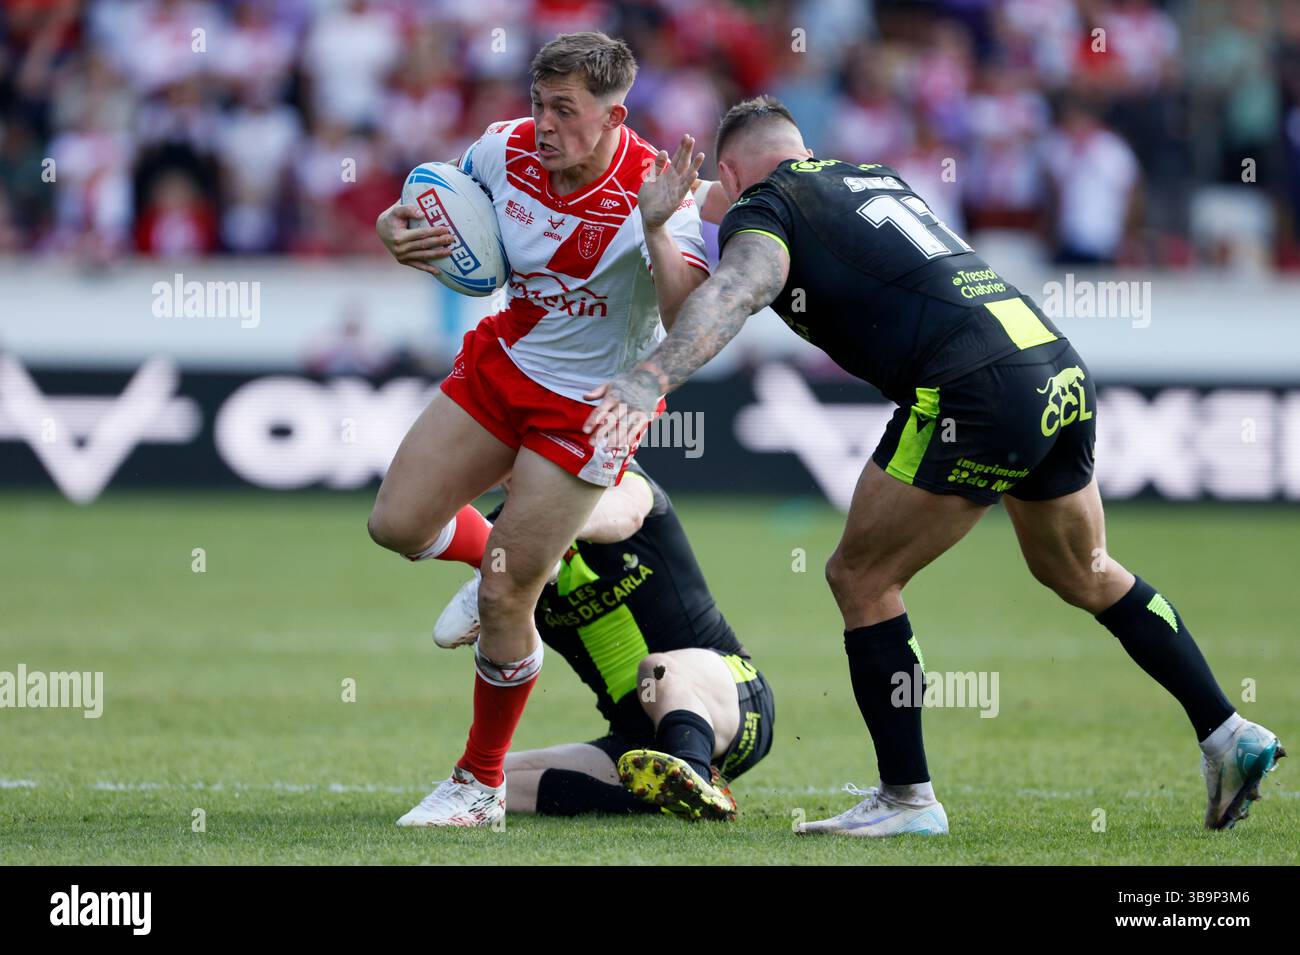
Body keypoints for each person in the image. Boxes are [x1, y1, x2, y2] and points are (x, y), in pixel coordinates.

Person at [583, 95, 1284, 837]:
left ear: (729, 172)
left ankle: (907, 798)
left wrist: (651, 375)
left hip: (971, 387)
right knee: (1084, 570)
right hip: (1052, 365)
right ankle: (1228, 730)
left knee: (860, 576)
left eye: (715, 190)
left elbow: (735, 287)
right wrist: (660, 225)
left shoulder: (766, 204)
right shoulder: (866, 177)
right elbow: (702, 294)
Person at [368, 32, 710, 828]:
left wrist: (658, 228)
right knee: (395, 523)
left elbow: (687, 320)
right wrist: (397, 229)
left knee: (502, 591)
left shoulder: (656, 187)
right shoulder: (502, 149)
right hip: (505, 361)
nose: (544, 124)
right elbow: (431, 202)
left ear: (613, 116)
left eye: (565, 110)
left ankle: (478, 784)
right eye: (537, 104)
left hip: (591, 404)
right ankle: (518, 553)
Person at [396, 462, 775, 824]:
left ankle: (691, 776)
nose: (517, 477)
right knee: (496, 779)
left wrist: (544, 534)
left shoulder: (625, 482)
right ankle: (652, 800)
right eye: (508, 467)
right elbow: (468, 620)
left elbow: (627, 513)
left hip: (727, 697)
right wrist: (491, 606)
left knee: (657, 670)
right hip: (638, 742)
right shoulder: (499, 538)